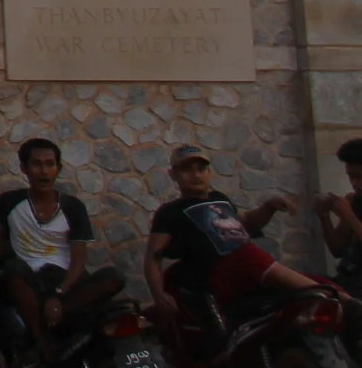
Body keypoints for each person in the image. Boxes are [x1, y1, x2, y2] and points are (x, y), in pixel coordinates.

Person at [143, 144, 318, 350]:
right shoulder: (170, 212)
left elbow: (246, 223)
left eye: (201, 169)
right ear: (173, 175)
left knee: (299, 284)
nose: (196, 175)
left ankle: (336, 300)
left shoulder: (219, 199)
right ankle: (336, 297)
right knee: (250, 257)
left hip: (246, 266)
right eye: (187, 169)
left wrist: (268, 207)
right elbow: (154, 256)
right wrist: (158, 293)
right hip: (219, 272)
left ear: (209, 172)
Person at [0, 137, 120, 358]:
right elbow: (5, 239)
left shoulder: (73, 207)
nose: (44, 171)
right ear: (24, 168)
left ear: (58, 168)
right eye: (37, 164)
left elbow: (78, 259)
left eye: (50, 164)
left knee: (114, 277)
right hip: (27, 278)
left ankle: (61, 313)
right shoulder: (10, 203)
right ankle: (43, 344)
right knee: (13, 269)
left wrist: (58, 295)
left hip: (64, 281)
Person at [313, 136, 362, 291]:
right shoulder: (354, 200)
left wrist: (349, 216)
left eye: (359, 177)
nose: (354, 183)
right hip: (347, 280)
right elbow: (337, 250)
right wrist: (324, 215)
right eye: (351, 176)